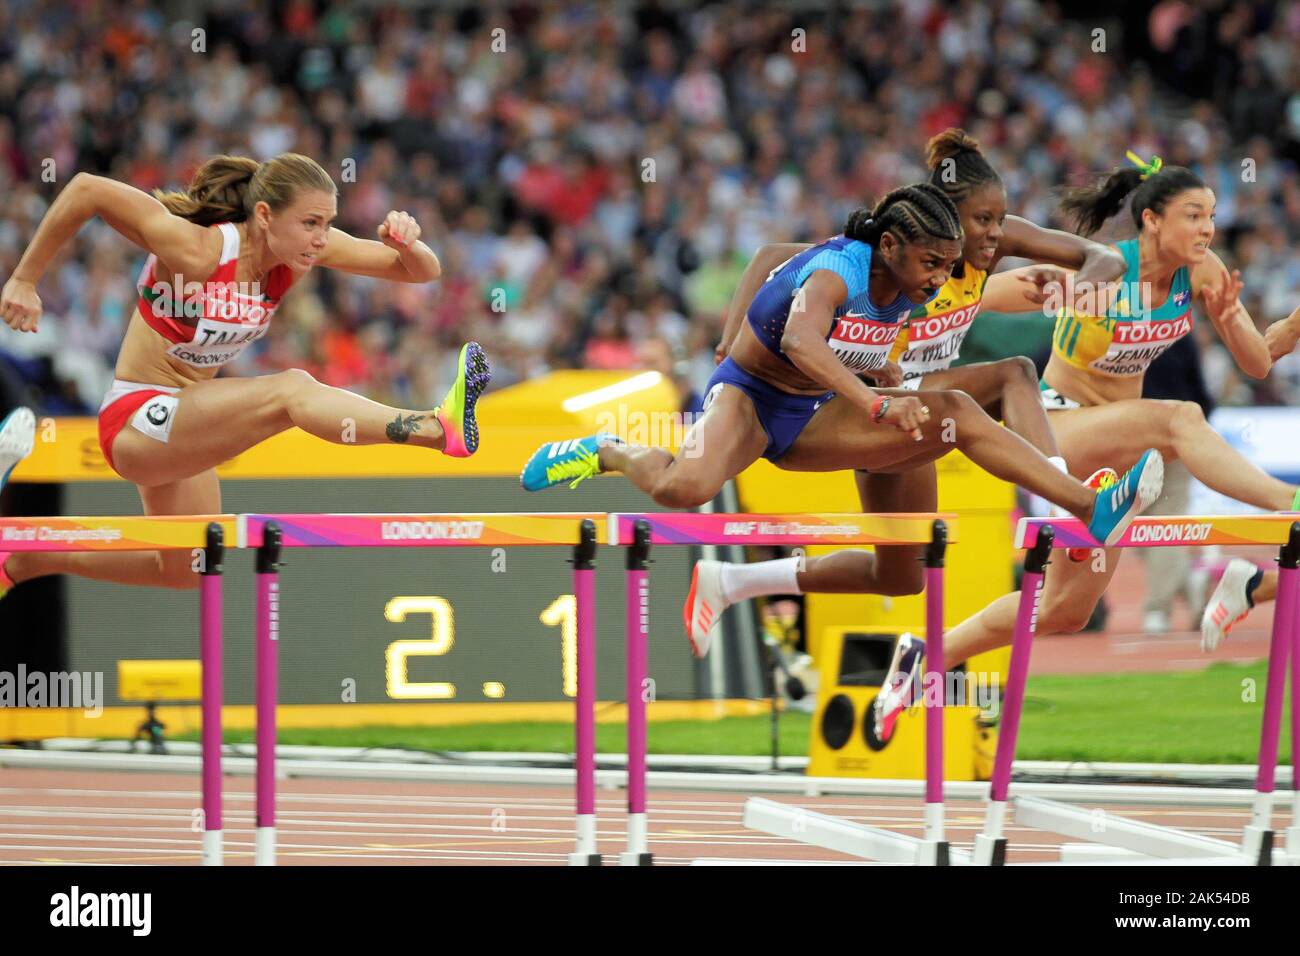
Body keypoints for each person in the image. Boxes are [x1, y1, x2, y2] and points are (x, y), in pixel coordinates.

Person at [520, 181, 1164, 646]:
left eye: (948, 265)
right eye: (931, 264)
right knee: (682, 488)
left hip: (827, 406)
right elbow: (798, 331)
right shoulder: (837, 268)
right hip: (752, 398)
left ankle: (1085, 506)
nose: (940, 279)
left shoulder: (911, 283)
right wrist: (870, 396)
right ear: (888, 245)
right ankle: (606, 451)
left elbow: (859, 345)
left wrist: (879, 374)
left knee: (905, 564)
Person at [869, 152, 1300, 740]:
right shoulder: (1101, 274)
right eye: (1194, 215)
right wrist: (901, 326)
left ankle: (922, 658)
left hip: (1117, 459)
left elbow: (1254, 362)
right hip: (1058, 430)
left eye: (1212, 216)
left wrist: (1275, 322)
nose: (1208, 228)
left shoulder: (1202, 274)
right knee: (1180, 419)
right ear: (1151, 220)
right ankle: (1287, 504)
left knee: (1065, 611)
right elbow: (982, 295)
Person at [683, 129, 1136, 656]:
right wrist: (729, 340)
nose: (993, 236)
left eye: (999, 220)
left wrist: (1082, 284)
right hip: (872, 401)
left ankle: (730, 583)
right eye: (981, 222)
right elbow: (769, 256)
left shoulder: (992, 244)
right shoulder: (886, 257)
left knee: (901, 572)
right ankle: (1064, 514)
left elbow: (1103, 259)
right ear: (944, 218)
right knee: (1013, 373)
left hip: (911, 414)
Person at [0, 153, 490, 599]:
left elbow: (420, 272)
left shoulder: (300, 253)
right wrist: (24, 279)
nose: (321, 237)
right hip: (135, 420)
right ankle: (431, 427)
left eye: (328, 224)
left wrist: (407, 242)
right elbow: (86, 187)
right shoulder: (199, 250)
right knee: (290, 390)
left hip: (185, 423)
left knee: (187, 568)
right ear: (264, 216)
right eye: (311, 223)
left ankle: (26, 560)